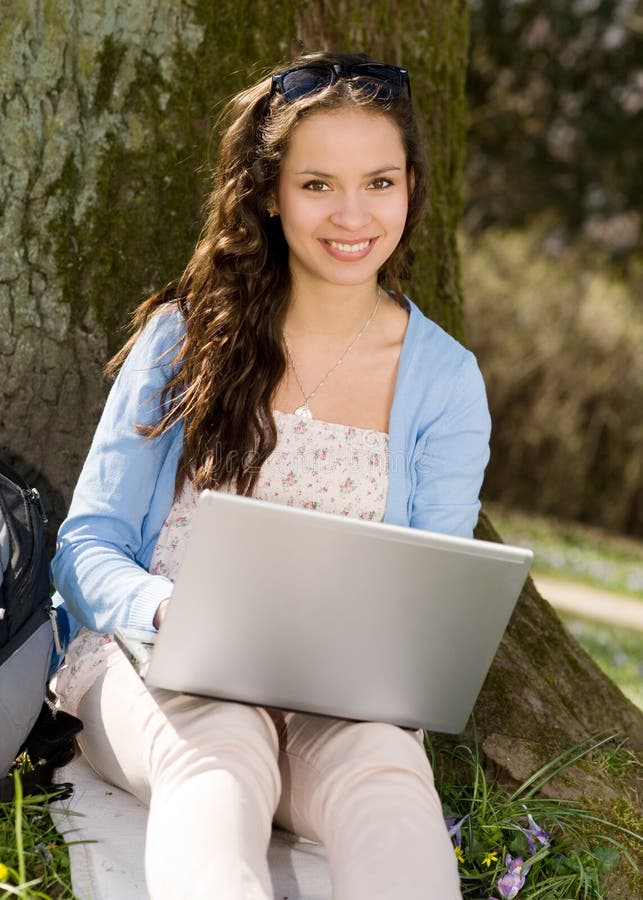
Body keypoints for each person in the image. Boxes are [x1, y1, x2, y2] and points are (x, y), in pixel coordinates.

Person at [51, 51, 491, 900]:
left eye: (379, 182)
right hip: (160, 670)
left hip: (340, 701)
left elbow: (433, 599)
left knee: (389, 782)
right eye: (317, 184)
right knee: (221, 751)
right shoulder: (187, 338)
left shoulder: (445, 380)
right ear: (268, 193)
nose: (352, 215)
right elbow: (88, 543)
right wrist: (164, 610)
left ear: (410, 189)